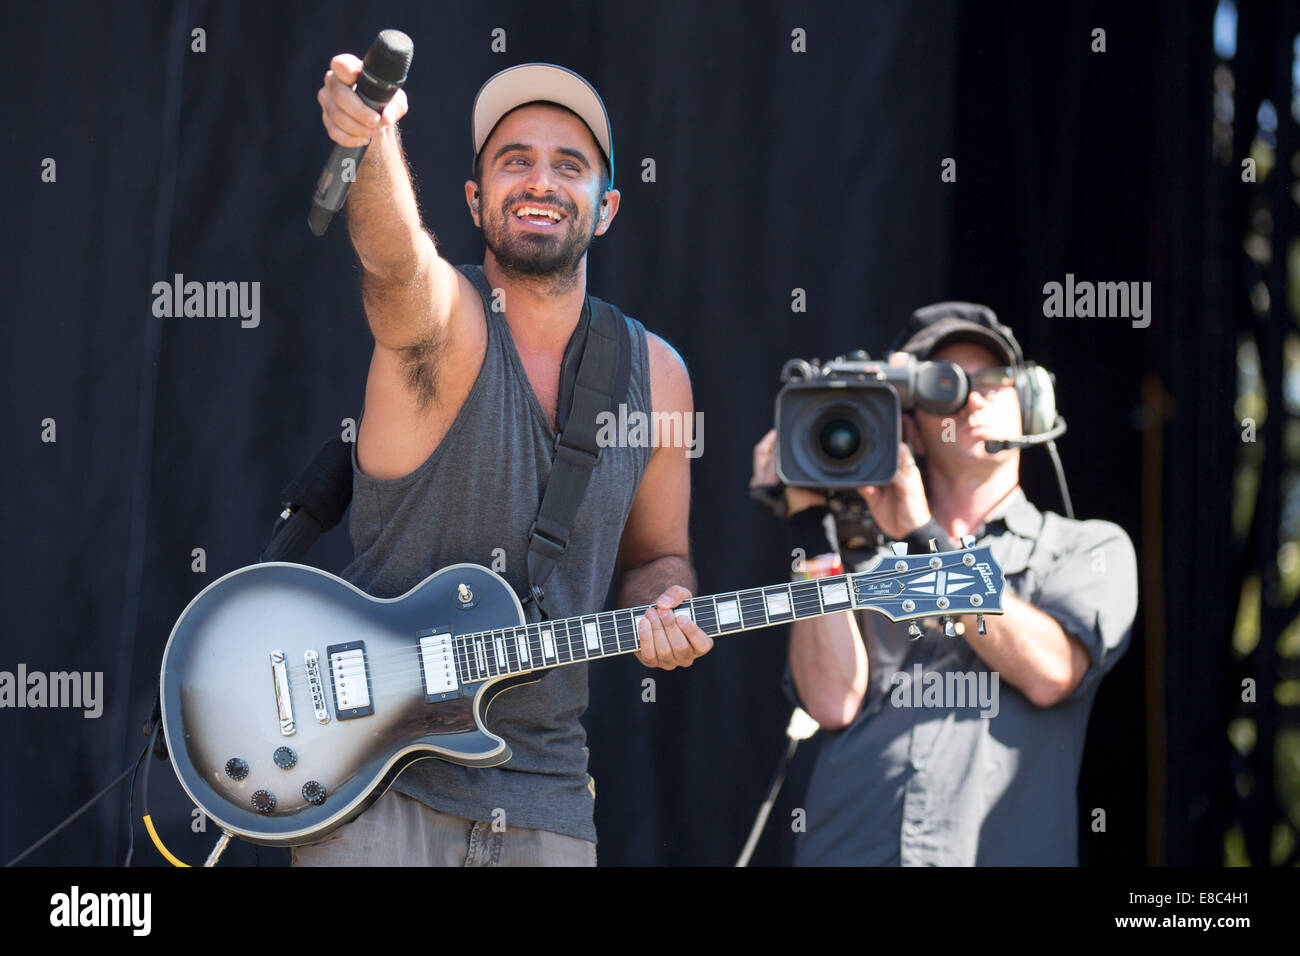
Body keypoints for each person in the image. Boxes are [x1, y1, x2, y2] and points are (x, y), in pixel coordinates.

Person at [294, 58, 712, 866]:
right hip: (378, 793)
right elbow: (394, 258)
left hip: (546, 799)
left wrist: (670, 605)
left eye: (570, 165)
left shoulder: (659, 377)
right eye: (514, 159)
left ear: (608, 207)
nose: (540, 181)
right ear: (474, 200)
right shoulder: (442, 324)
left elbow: (660, 556)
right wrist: (372, 138)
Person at [751, 302, 1137, 865]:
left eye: (995, 382)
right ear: (909, 426)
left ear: (1029, 405)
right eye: (946, 387)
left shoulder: (1086, 548)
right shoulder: (856, 557)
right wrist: (811, 530)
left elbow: (1052, 672)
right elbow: (832, 701)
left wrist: (920, 535)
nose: (975, 398)